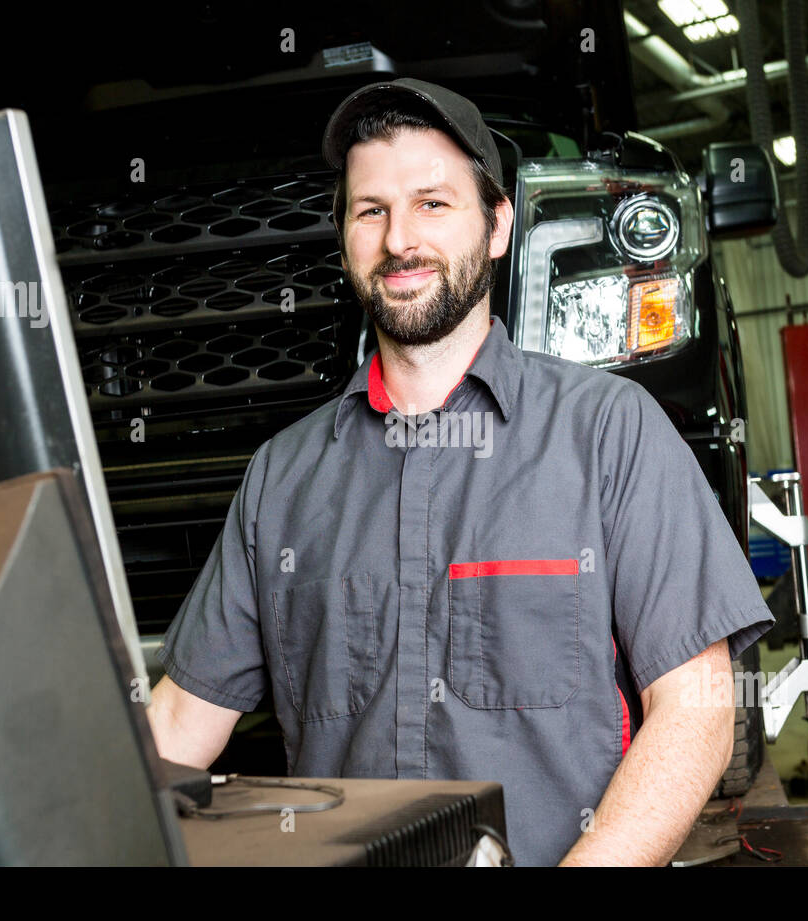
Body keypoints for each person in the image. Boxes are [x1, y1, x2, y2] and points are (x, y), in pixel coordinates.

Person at [146, 77, 774, 866]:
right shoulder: (283, 477)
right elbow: (178, 726)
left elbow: (697, 710)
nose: (399, 239)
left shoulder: (610, 433)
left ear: (500, 225)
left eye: (433, 204)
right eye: (370, 210)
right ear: (345, 238)